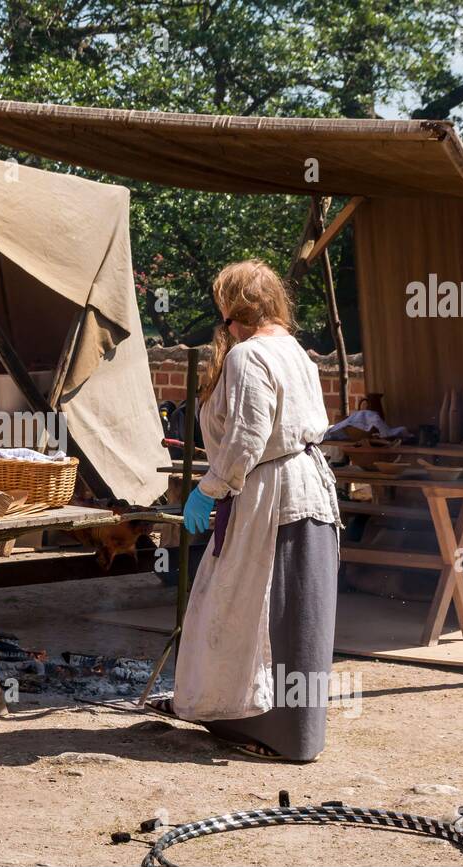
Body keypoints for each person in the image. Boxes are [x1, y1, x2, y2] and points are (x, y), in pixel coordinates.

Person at [152, 259, 340, 762]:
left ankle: (267, 728)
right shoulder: (295, 350)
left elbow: (248, 438)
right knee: (294, 605)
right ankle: (278, 726)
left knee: (258, 605)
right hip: (307, 486)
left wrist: (208, 489)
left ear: (236, 310)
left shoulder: (250, 355)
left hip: (272, 494)